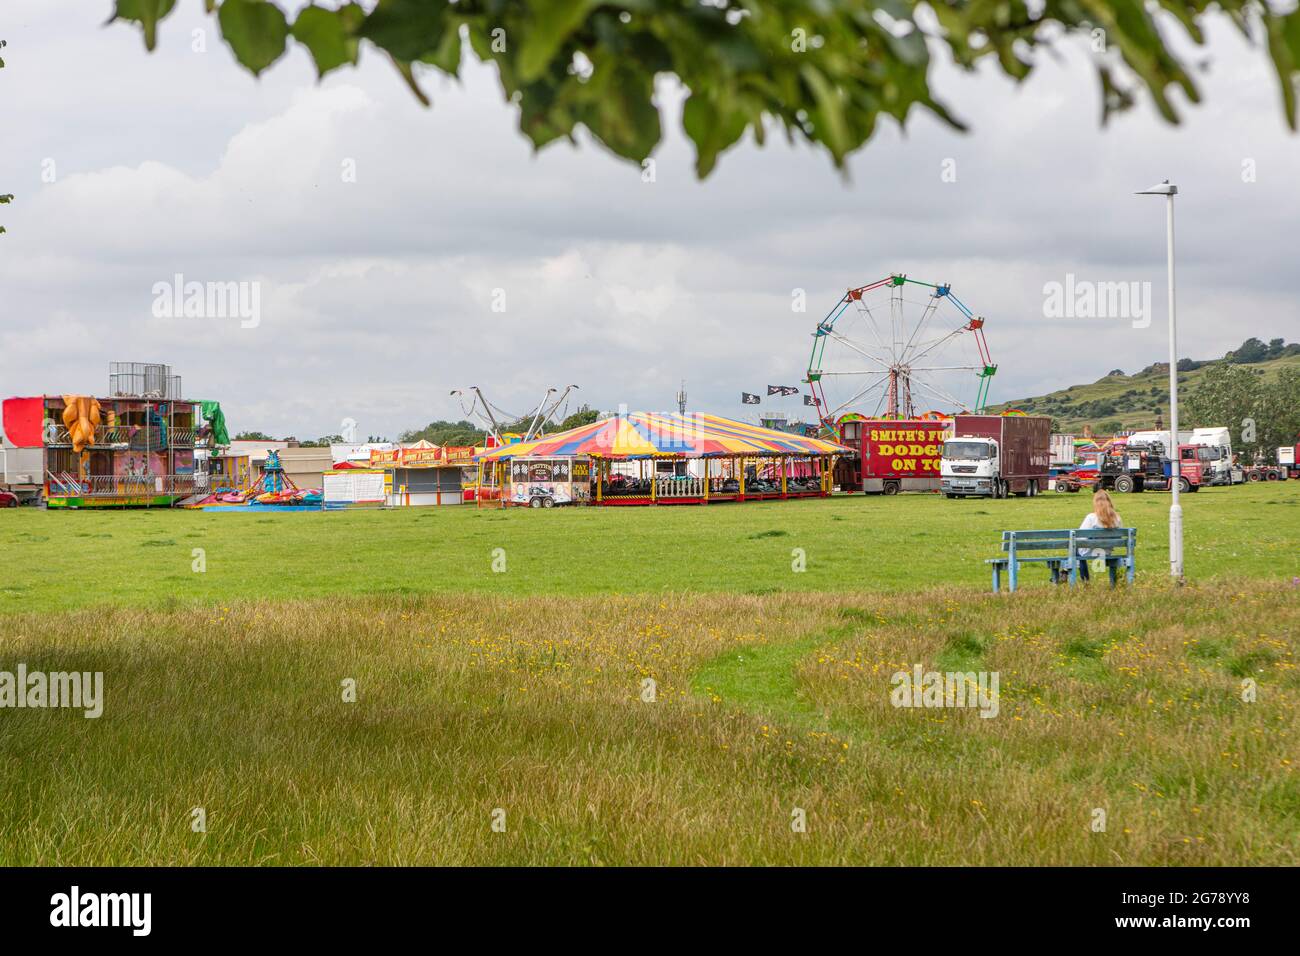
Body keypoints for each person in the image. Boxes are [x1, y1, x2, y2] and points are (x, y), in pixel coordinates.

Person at [1077, 489, 1122, 582]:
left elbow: (1080, 538)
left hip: (1090, 552)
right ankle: (1113, 582)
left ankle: (1085, 581)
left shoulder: (1091, 517)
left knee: (1074, 550)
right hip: (1107, 552)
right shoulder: (1117, 518)